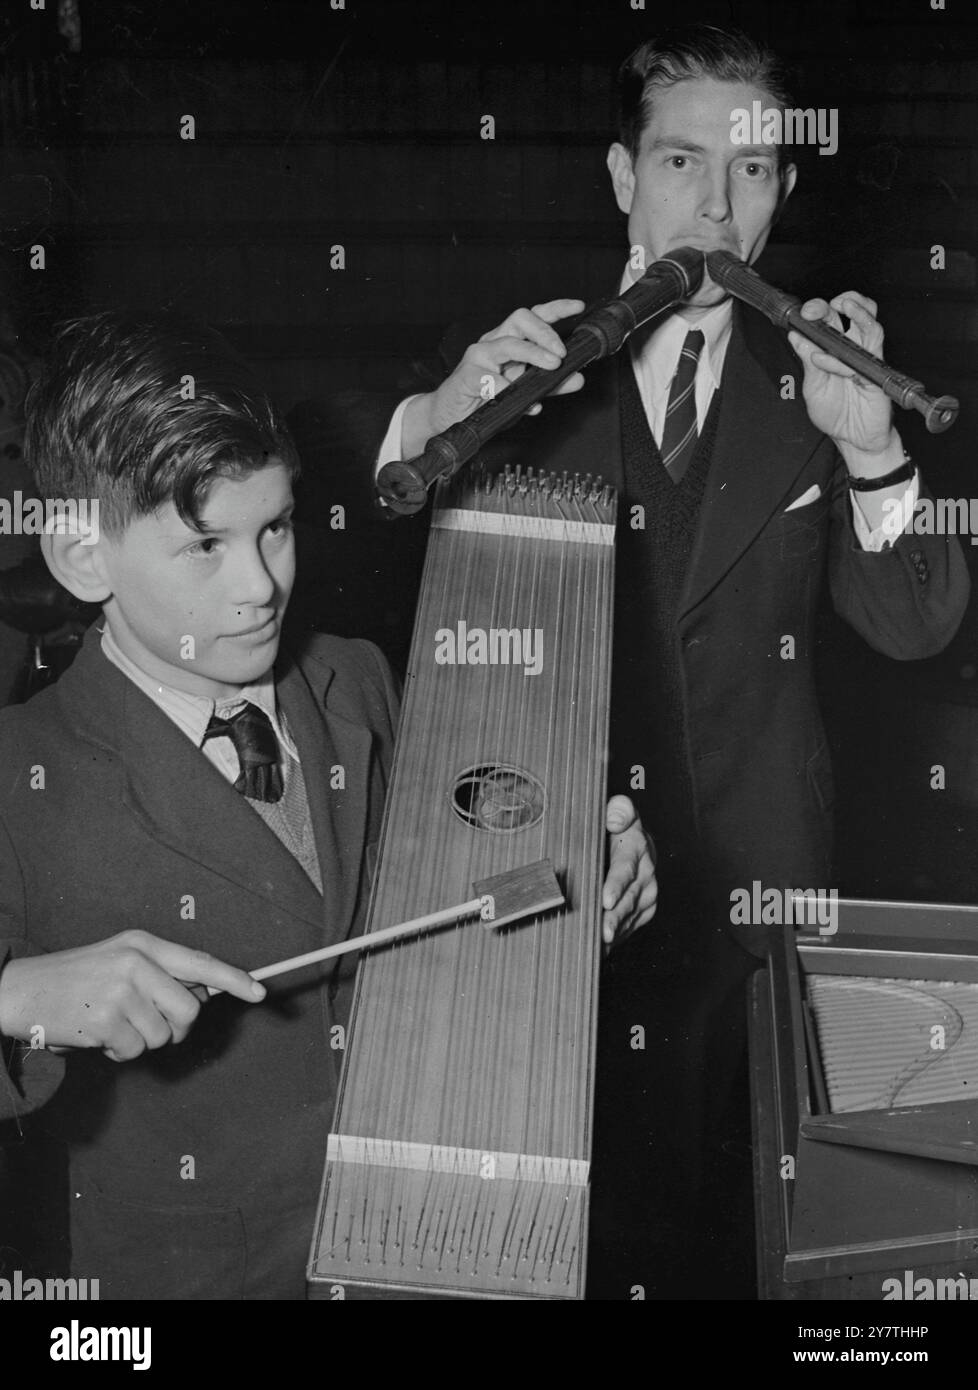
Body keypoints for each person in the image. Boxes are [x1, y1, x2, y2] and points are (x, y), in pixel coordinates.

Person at [290, 22, 970, 1297]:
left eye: (754, 171)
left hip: (766, 897)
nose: (714, 205)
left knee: (749, 1241)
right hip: (558, 897)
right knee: (569, 1238)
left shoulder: (820, 378)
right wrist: (437, 413)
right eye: (678, 162)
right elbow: (324, 544)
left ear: (785, 189)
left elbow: (921, 626)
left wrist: (872, 452)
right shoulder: (520, 356)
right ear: (620, 176)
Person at [0, 309, 655, 1299]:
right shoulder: (20, 771)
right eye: (204, 547)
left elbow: (446, 931)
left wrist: (572, 892)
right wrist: (16, 998)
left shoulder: (362, 683)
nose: (260, 586)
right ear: (81, 555)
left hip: (416, 1257)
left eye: (276, 526)